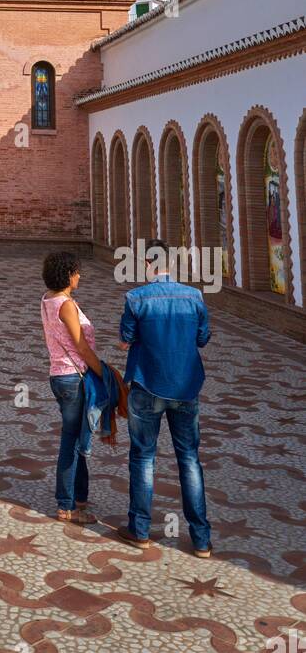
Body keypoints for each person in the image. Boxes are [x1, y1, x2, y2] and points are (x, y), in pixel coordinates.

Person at [117, 238, 212, 557]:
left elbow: (127, 336)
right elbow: (203, 338)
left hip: (147, 383)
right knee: (189, 458)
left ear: (147, 264)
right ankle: (201, 538)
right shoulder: (194, 296)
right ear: (172, 262)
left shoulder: (136, 298)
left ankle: (140, 529)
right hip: (186, 387)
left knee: (144, 457)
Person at [41, 250, 103, 524]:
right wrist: (104, 372)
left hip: (59, 375)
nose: (80, 275)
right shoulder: (65, 305)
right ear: (67, 274)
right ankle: (66, 505)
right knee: (72, 442)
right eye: (76, 271)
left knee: (76, 438)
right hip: (73, 378)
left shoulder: (47, 299)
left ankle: (79, 497)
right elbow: (80, 345)